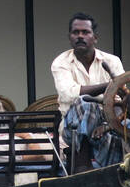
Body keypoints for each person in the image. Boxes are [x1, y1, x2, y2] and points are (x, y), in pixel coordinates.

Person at [51, 13, 125, 167]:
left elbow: (120, 98)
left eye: (85, 32)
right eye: (75, 32)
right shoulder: (60, 62)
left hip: (107, 123)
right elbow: (69, 94)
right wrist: (108, 86)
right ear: (69, 37)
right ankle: (82, 168)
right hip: (71, 129)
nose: (80, 36)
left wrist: (109, 126)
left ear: (95, 37)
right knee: (84, 103)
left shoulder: (112, 61)